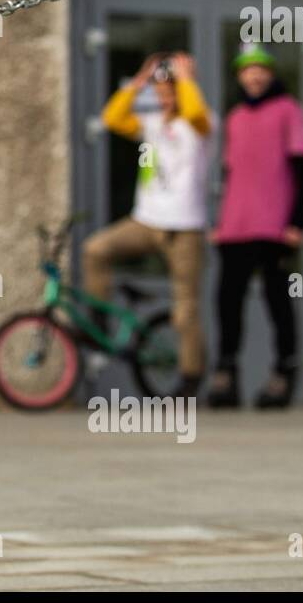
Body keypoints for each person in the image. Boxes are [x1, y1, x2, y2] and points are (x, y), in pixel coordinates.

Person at [83, 52, 213, 399]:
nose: (164, 96)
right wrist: (139, 82)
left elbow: (197, 112)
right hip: (146, 220)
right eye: (160, 91)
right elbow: (112, 118)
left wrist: (185, 78)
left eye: (169, 90)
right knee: (96, 249)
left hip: (184, 228)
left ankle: (189, 377)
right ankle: (99, 319)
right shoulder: (152, 122)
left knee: (185, 311)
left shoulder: (199, 125)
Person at [208, 43, 303, 410]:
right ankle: (227, 373)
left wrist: (298, 221)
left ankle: (283, 372)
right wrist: (219, 220)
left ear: (270, 73)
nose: (253, 76)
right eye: (246, 70)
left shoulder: (289, 111)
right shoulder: (235, 117)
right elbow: (229, 173)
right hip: (235, 225)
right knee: (227, 301)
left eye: (260, 69)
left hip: (273, 225)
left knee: (277, 301)